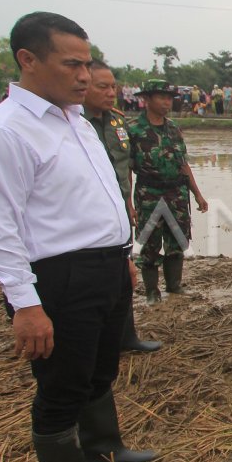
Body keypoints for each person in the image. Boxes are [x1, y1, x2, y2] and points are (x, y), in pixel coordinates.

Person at [0, 11, 156, 462]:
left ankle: (102, 448)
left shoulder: (78, 122)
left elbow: (97, 196)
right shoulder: (3, 132)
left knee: (99, 367)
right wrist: (24, 304)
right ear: (28, 60)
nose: (84, 76)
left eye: (87, 65)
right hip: (60, 277)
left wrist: (122, 258)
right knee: (63, 383)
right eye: (72, 64)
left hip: (105, 266)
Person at [84, 60, 161, 354]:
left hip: (117, 207)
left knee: (122, 273)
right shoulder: (74, 124)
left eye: (113, 86)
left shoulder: (116, 123)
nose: (111, 93)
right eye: (102, 86)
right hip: (87, 211)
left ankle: (125, 335)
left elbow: (125, 167)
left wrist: (127, 202)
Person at [129, 88, 208, 303]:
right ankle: (152, 292)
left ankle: (174, 287)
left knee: (177, 240)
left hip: (177, 193)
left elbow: (184, 164)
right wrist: (128, 203)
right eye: (162, 98)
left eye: (169, 99)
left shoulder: (174, 129)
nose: (167, 103)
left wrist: (198, 194)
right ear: (146, 99)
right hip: (149, 194)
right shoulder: (134, 130)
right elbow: (126, 169)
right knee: (150, 243)